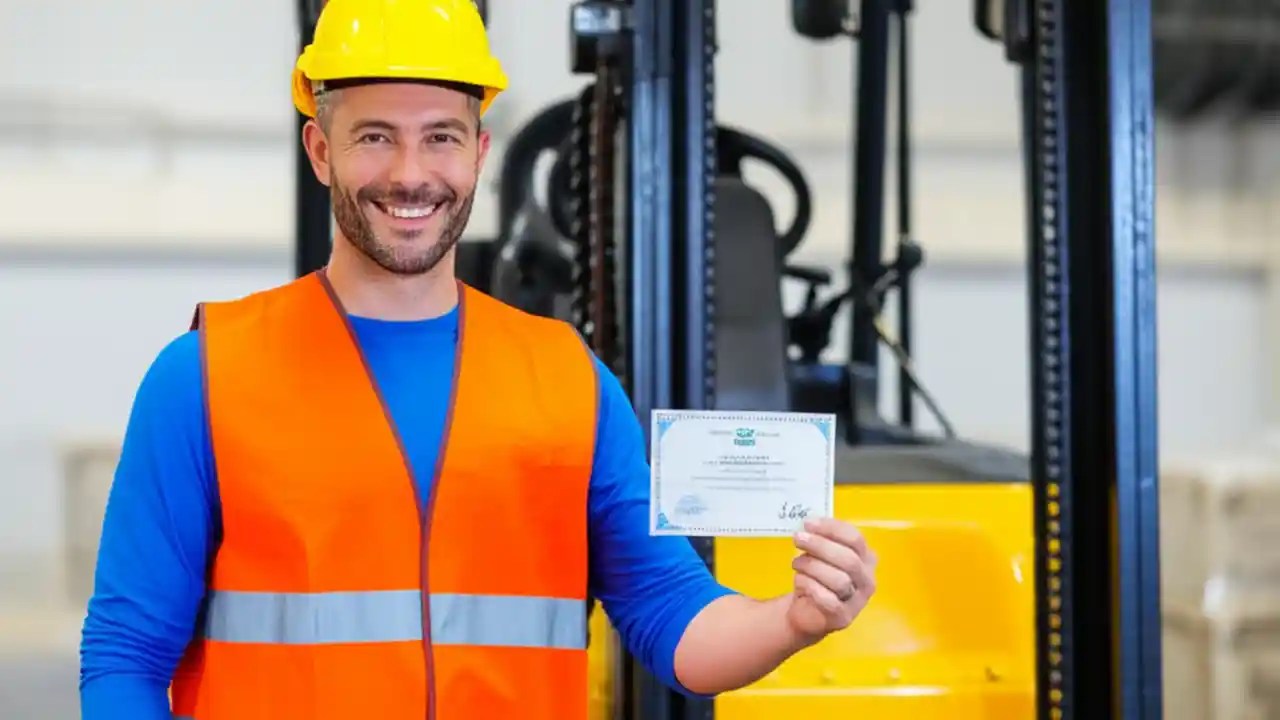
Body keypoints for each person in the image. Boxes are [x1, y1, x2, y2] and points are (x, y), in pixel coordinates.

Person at [77, 1, 877, 717]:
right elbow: (124, 659)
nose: (411, 173)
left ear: (480, 152)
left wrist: (792, 619)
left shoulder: (568, 381)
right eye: (375, 137)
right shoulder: (205, 377)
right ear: (320, 150)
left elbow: (671, 614)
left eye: (441, 138)